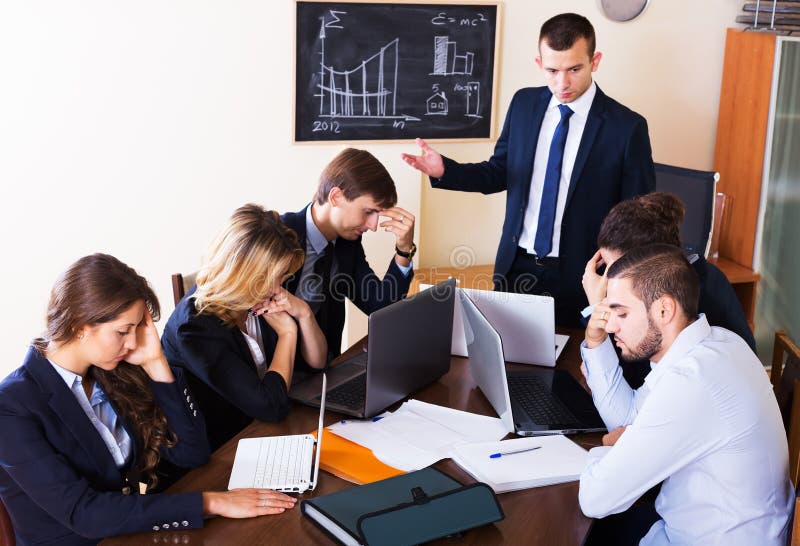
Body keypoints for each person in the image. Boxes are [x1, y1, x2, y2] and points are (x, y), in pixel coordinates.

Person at [0, 254, 296, 545]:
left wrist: (157, 364)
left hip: (140, 530)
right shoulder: (12, 407)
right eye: (122, 331)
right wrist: (212, 503)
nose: (132, 342)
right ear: (79, 326)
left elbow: (192, 454)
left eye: (136, 328)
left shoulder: (112, 370)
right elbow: (85, 514)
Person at [401, 12, 654, 327]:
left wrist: (615, 279)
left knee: (575, 370)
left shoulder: (627, 127)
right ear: (539, 64)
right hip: (516, 268)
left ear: (595, 60)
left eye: (574, 69)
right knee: (504, 364)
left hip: (584, 279)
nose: (562, 82)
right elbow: (498, 172)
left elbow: (638, 218)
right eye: (552, 70)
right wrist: (444, 170)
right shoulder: (524, 105)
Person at [578, 244, 792, 545]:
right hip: (698, 526)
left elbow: (595, 499)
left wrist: (610, 447)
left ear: (664, 310)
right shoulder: (718, 342)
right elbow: (628, 417)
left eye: (621, 314)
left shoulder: (691, 383)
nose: (610, 325)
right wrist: (595, 339)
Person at [162, 204, 327, 450]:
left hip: (261, 434)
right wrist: (288, 333)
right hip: (217, 454)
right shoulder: (193, 329)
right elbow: (270, 406)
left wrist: (303, 314)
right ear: (244, 274)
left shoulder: (257, 298)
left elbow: (317, 363)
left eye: (282, 276)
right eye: (275, 277)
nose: (278, 287)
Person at [581, 191, 756, 387]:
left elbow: (626, 383)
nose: (606, 279)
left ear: (645, 263)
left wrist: (596, 307)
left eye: (613, 268)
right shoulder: (690, 271)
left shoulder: (681, 301)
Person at [281, 148, 415, 360]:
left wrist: (404, 249)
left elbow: (381, 309)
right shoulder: (279, 234)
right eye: (369, 211)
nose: (373, 226)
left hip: (324, 376)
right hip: (270, 377)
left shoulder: (347, 245)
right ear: (336, 197)